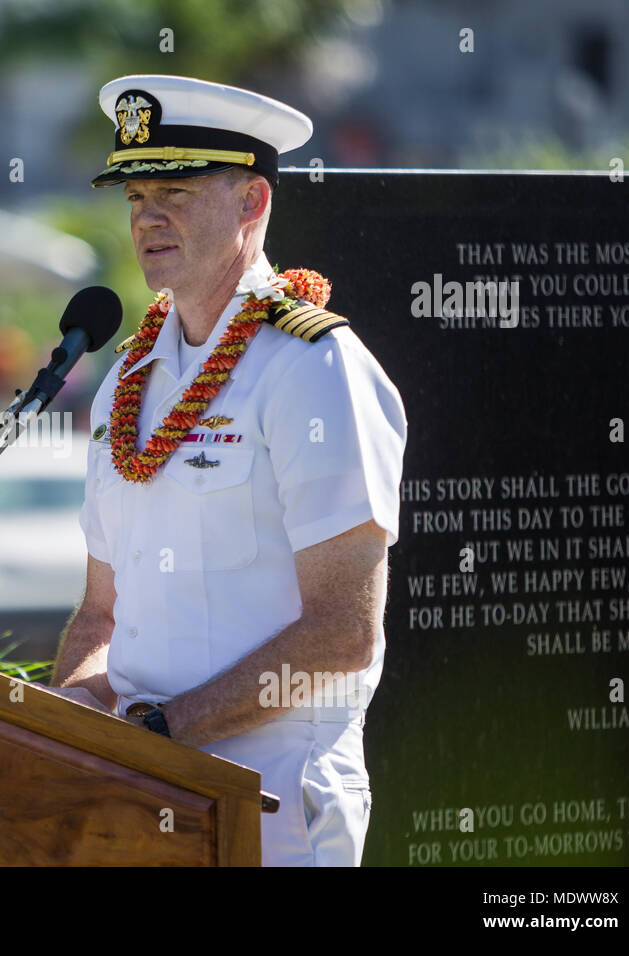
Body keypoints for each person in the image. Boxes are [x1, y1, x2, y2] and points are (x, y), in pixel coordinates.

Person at [51, 74, 407, 866]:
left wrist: (160, 731)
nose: (148, 216)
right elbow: (100, 615)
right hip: (137, 790)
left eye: (174, 191)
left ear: (252, 202)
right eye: (135, 195)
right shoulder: (127, 380)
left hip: (271, 797)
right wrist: (72, 712)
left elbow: (343, 632)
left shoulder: (314, 369)